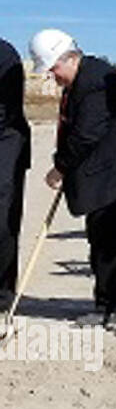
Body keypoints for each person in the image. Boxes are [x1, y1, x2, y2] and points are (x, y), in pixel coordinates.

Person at [30, 31, 116, 324]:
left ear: (68, 58)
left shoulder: (94, 83)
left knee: (109, 238)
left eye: (53, 69)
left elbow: (86, 134)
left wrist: (61, 167)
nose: (52, 77)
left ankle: (112, 306)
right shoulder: (86, 75)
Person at [0, 37, 30, 313]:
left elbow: (5, 112)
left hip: (5, 144)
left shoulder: (5, 55)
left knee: (3, 220)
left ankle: (2, 293)